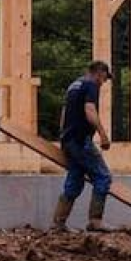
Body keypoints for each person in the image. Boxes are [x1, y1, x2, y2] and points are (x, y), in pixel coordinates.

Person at [52, 60, 113, 232]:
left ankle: (59, 222)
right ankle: (95, 221)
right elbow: (90, 110)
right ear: (99, 73)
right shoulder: (91, 85)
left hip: (69, 140)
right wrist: (103, 134)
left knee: (76, 178)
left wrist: (63, 136)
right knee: (103, 176)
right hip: (80, 140)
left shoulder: (74, 85)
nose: (104, 82)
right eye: (105, 78)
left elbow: (64, 112)